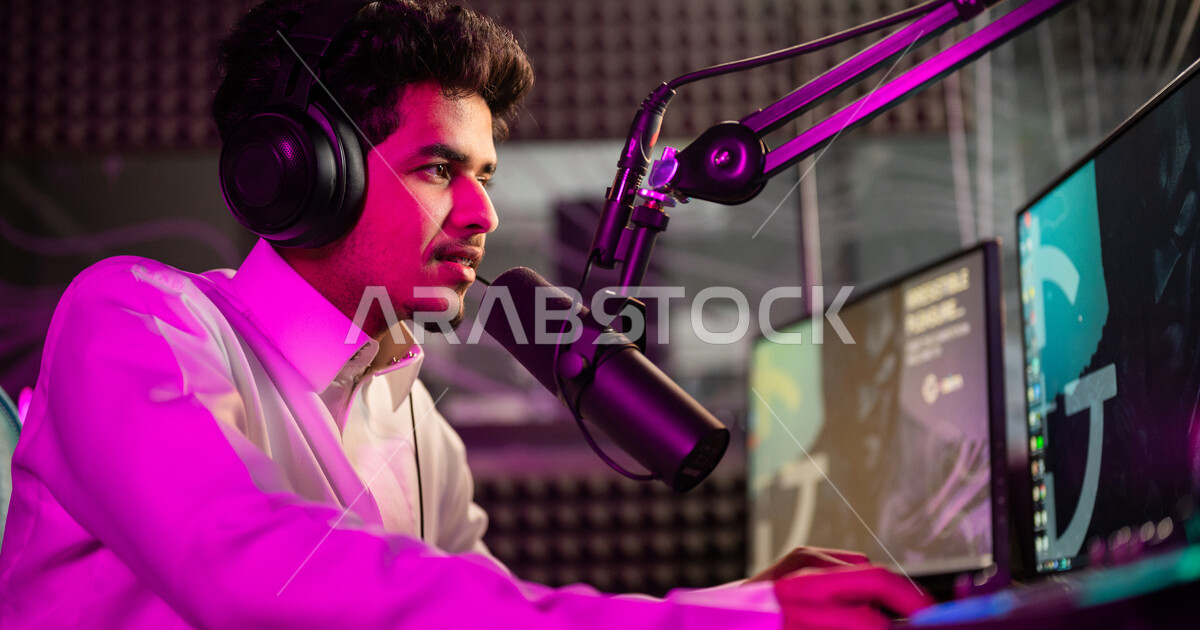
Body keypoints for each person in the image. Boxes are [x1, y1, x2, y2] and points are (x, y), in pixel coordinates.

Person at [0, 1, 931, 628]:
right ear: (299, 171)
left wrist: (745, 598)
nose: (483, 214)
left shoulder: (410, 414)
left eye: (484, 174)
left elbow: (479, 609)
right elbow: (258, 578)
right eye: (441, 169)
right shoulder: (134, 323)